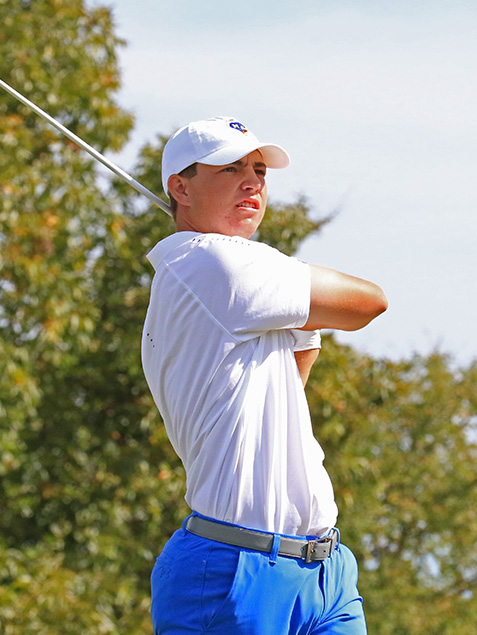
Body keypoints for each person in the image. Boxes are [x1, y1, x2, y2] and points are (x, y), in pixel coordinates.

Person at [142, 116, 387, 634]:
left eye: (258, 169)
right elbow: (368, 303)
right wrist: (278, 267)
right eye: (230, 168)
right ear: (179, 188)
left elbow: (288, 390)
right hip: (232, 569)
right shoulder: (211, 265)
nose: (252, 181)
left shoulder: (231, 275)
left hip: (324, 571)